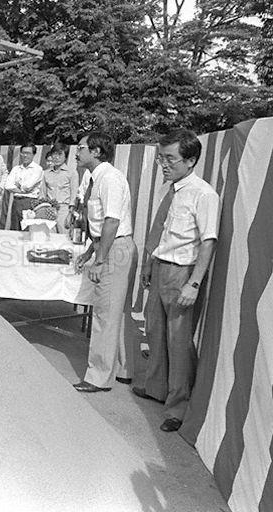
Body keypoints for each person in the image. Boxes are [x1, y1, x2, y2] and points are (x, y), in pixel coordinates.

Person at [135, 129, 219, 433]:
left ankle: (178, 407)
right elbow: (161, 230)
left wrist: (194, 283)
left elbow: (208, 242)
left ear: (191, 159)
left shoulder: (204, 194)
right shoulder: (167, 189)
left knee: (178, 341)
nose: (164, 164)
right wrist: (149, 263)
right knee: (155, 330)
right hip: (160, 268)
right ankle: (157, 388)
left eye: (170, 158)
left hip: (182, 272)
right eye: (161, 157)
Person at [73, 132, 136, 393]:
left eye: (81, 147)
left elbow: (112, 221)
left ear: (96, 151)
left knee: (104, 314)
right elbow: (100, 226)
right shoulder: (96, 178)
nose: (77, 152)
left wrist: (99, 261)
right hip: (107, 245)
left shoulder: (109, 179)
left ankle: (99, 377)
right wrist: (90, 252)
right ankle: (121, 368)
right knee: (112, 312)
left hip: (114, 247)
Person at [0, 143, 43, 230]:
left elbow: (28, 186)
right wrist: (21, 189)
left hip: (30, 201)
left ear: (34, 154)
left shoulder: (37, 169)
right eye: (23, 153)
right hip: (16, 201)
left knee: (28, 229)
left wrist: (18, 185)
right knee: (15, 229)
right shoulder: (16, 169)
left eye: (28, 153)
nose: (25, 155)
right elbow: (8, 185)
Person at [42, 143, 78, 234]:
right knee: (49, 237)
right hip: (49, 209)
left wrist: (70, 214)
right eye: (54, 154)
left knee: (64, 237)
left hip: (64, 209)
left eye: (60, 154)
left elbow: (74, 194)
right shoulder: (45, 173)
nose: (56, 157)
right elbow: (42, 194)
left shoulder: (72, 173)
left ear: (65, 156)